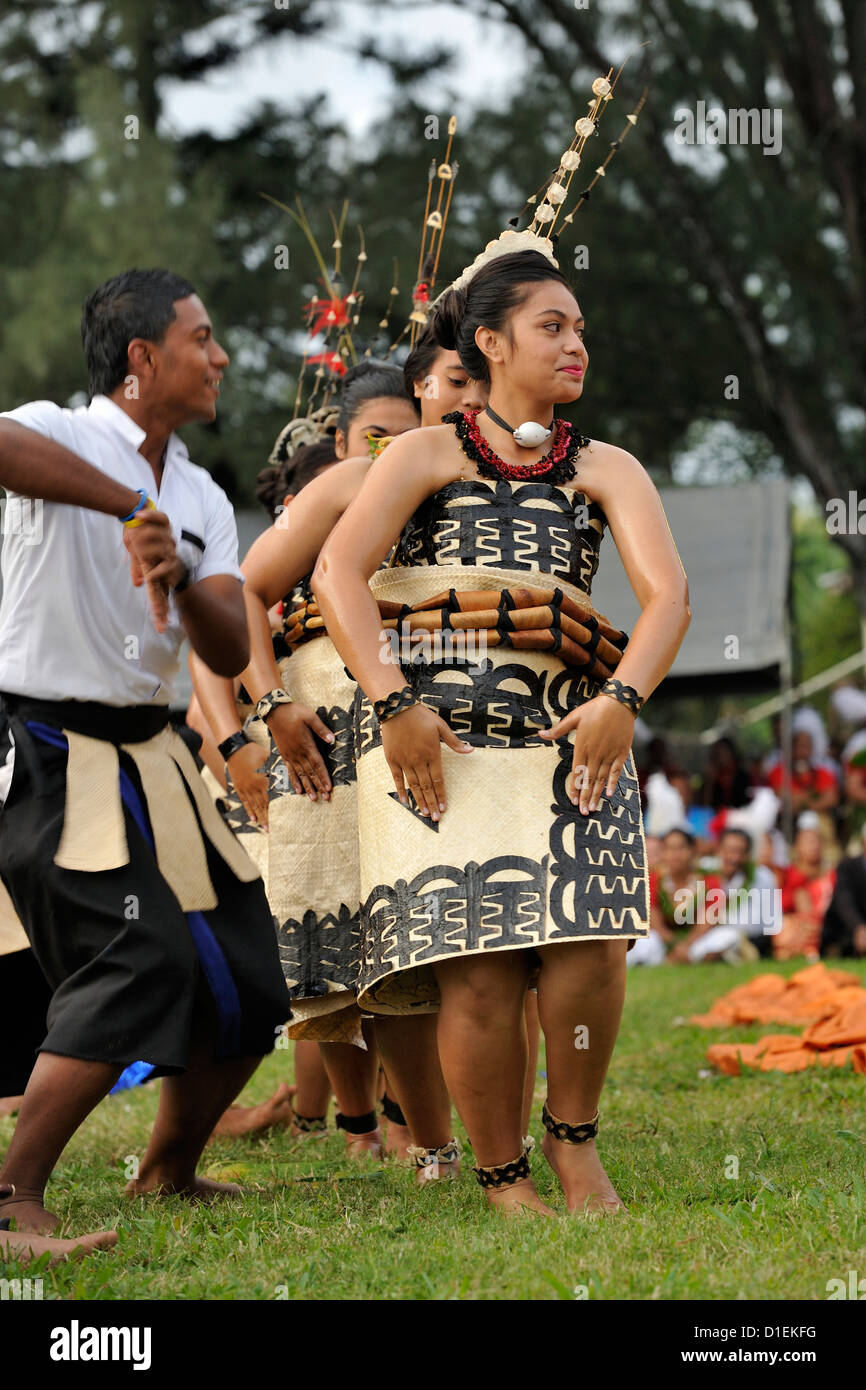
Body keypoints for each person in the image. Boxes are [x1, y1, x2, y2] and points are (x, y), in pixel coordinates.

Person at [312, 243, 691, 1217]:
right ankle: (501, 1174)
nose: (575, 345)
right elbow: (337, 575)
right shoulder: (423, 453)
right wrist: (395, 705)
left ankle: (573, 1144)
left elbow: (667, 599)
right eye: (550, 327)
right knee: (477, 969)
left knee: (590, 946)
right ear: (489, 341)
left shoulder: (605, 466)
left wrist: (621, 701)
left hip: (572, 733)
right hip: (436, 744)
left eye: (579, 330)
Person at [0, 268, 290, 1259]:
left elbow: (221, 647)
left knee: (250, 969)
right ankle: (10, 1199)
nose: (218, 357)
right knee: (137, 953)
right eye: (202, 338)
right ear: (141, 358)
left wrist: (175, 563)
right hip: (48, 743)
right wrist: (127, 504)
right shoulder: (61, 431)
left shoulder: (202, 490)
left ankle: (169, 1167)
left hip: (156, 754)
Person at [193, 354, 484, 1175]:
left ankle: (479, 1133)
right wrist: (264, 714)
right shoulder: (347, 484)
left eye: (476, 384)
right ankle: (410, 1139)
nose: (464, 400)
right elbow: (238, 600)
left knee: (463, 946)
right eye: (450, 382)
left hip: (462, 731)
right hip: (338, 746)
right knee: (369, 946)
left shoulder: (507, 483)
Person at [678, 827, 781, 962]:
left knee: (727, 938)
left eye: (740, 851)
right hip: (709, 934)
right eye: (729, 850)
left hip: (750, 938)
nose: (734, 857)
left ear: (748, 855)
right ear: (719, 850)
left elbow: (768, 922)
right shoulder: (705, 870)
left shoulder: (762, 876)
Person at [631, 826, 721, 966]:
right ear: (663, 852)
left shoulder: (708, 880)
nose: (675, 854)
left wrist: (686, 944)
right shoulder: (654, 880)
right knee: (646, 941)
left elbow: (707, 922)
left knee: (723, 937)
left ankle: (682, 958)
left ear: (692, 851)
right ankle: (673, 958)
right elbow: (655, 923)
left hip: (697, 941)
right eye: (669, 849)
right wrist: (675, 944)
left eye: (681, 848)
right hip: (663, 941)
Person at [773, 816, 835, 961]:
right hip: (794, 924)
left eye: (817, 841)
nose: (814, 846)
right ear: (797, 847)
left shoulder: (831, 876)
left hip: (823, 925)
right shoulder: (789, 874)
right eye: (808, 841)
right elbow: (803, 910)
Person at [820, 823, 866, 958]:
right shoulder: (847, 866)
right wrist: (858, 927)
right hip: (844, 933)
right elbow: (844, 901)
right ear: (864, 843)